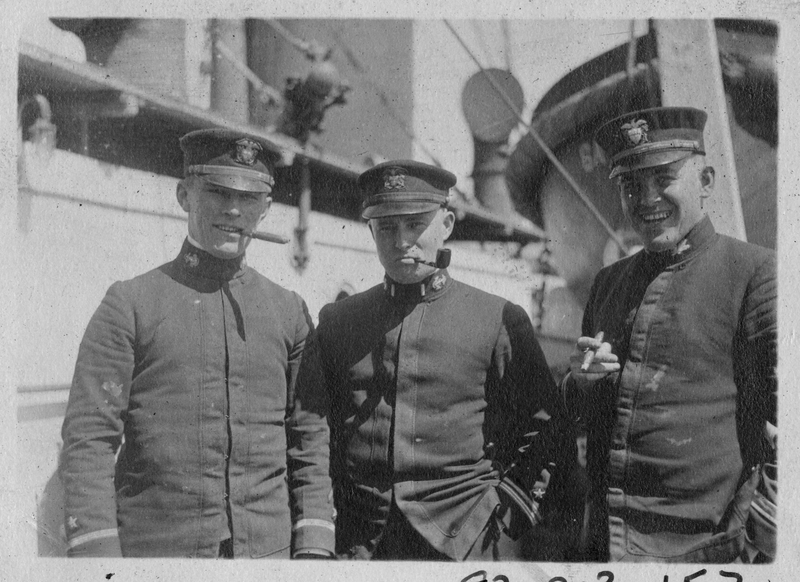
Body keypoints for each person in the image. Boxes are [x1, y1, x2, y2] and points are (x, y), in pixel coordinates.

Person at [59, 128, 335, 559]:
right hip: (160, 558)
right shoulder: (130, 304)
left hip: (268, 558)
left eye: (249, 198)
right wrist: (99, 562)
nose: (233, 209)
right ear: (184, 195)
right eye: (216, 193)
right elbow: (89, 441)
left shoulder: (289, 312)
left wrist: (314, 546)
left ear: (265, 209)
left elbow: (310, 439)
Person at [295, 159, 578, 561]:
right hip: (360, 546)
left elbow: (547, 428)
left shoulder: (496, 319)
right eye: (387, 227)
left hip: (463, 544)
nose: (400, 241)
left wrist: (508, 513)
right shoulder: (339, 321)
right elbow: (314, 427)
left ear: (446, 224)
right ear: (371, 229)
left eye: (415, 225)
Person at [563, 107, 777, 562]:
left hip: (706, 551)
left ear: (705, 181)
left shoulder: (754, 274)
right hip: (606, 547)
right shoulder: (608, 283)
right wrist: (580, 384)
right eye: (630, 185)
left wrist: (763, 531)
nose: (647, 198)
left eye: (663, 178)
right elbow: (582, 416)